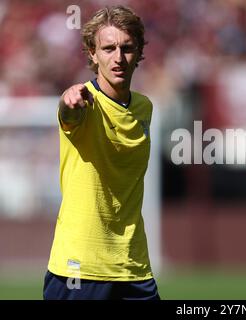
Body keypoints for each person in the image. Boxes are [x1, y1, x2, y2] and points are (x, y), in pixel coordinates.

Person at [43, 5, 160, 300]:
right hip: (80, 270)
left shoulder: (144, 108)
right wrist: (68, 102)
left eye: (127, 48)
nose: (118, 58)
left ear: (139, 52)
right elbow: (68, 115)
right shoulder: (84, 102)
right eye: (108, 48)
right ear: (93, 54)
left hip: (133, 268)